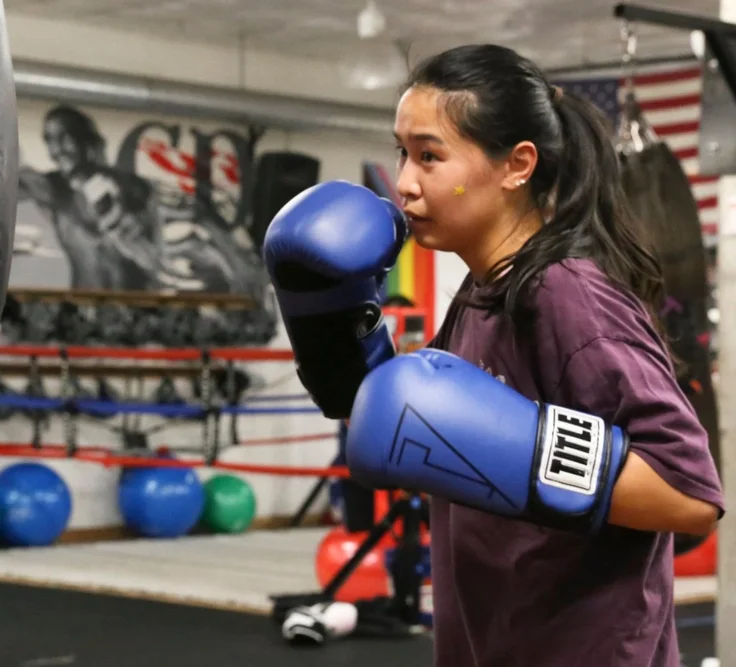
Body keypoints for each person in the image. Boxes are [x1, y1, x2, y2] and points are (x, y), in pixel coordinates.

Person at [266, 44, 723, 666]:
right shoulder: (482, 294)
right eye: (404, 153)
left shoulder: (568, 294)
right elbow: (402, 425)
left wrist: (530, 453)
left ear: (516, 166)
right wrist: (333, 334)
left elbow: (689, 492)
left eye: (430, 156)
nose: (404, 182)